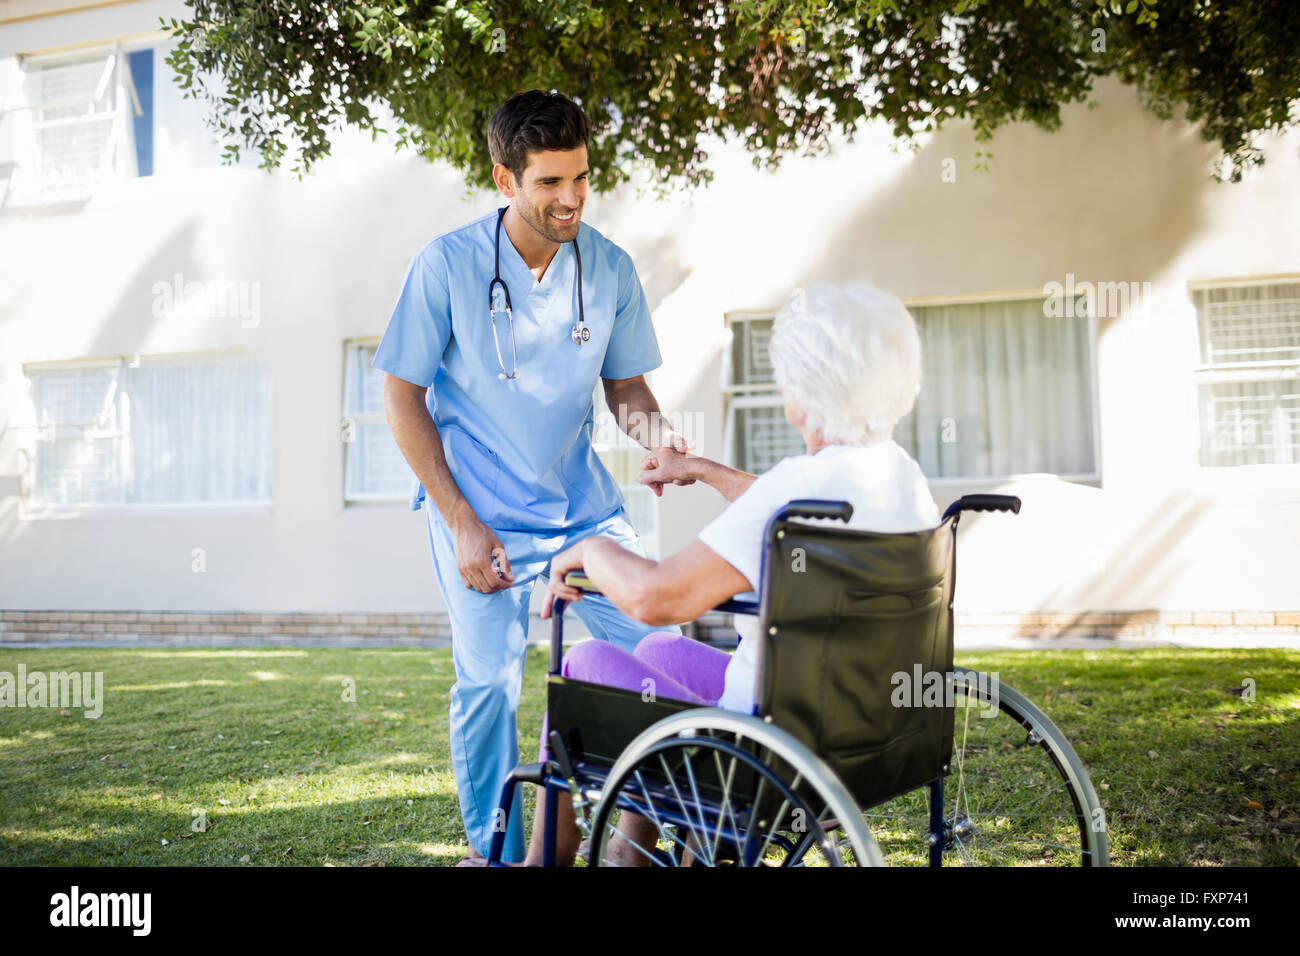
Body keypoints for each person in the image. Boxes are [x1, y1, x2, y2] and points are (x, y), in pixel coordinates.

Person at [373, 90, 692, 866]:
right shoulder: (446, 267)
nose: (571, 198)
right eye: (550, 182)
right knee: (489, 686)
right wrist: (459, 520)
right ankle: (500, 850)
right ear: (505, 177)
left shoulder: (609, 267)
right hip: (479, 514)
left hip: (583, 514)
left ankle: (650, 833)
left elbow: (625, 389)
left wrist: (662, 442)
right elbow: (401, 397)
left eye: (580, 178)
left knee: (666, 653)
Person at [528, 281, 942, 865]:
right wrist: (701, 469)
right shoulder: (898, 478)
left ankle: (547, 860)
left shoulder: (797, 487)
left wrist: (592, 548)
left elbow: (656, 596)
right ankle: (633, 850)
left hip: (760, 756)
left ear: (797, 395)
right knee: (658, 654)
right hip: (865, 740)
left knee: (585, 665)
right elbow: (791, 511)